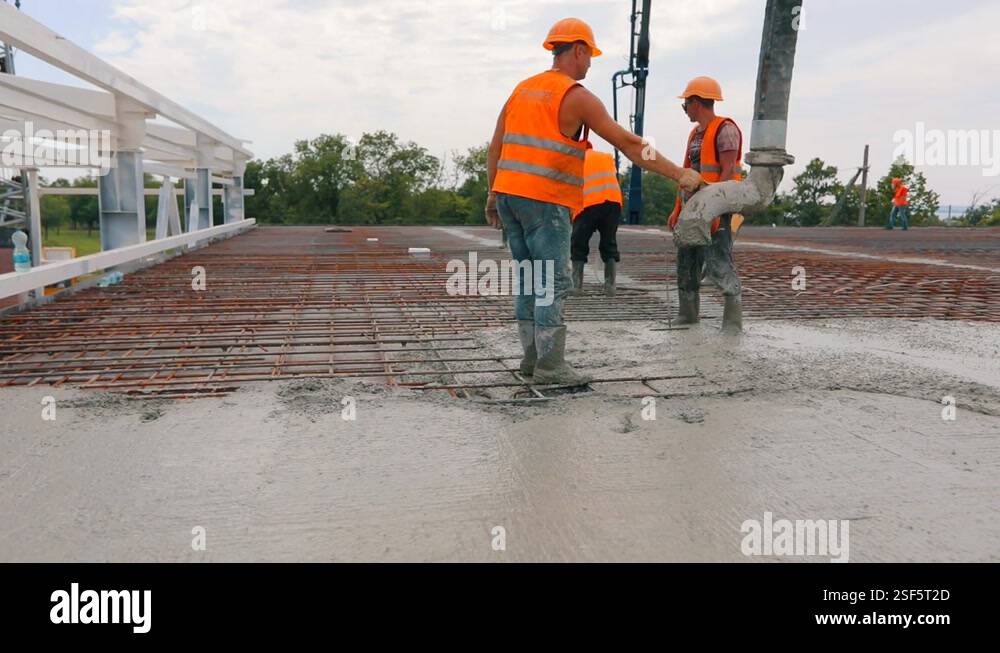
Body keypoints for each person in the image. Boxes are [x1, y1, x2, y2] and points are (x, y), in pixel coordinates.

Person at [485, 17, 703, 385]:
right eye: (589, 56)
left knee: (528, 279)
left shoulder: (521, 90)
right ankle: (551, 367)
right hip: (544, 202)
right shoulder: (576, 96)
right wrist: (679, 173)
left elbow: (495, 147)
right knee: (551, 282)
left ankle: (531, 359)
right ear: (578, 50)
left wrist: (492, 195)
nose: (589, 64)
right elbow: (629, 143)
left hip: (509, 197)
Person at [668, 76, 744, 334]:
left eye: (685, 104)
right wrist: (677, 210)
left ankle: (732, 323)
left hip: (717, 210)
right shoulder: (695, 134)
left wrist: (716, 210)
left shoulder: (726, 130)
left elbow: (728, 171)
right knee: (686, 262)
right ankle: (688, 315)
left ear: (696, 103)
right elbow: (688, 174)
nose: (685, 110)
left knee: (717, 262)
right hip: (692, 210)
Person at [570, 147, 623, 296]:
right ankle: (610, 287)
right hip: (613, 201)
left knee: (578, 243)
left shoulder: (574, 158)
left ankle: (577, 287)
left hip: (589, 202)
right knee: (609, 242)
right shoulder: (605, 156)